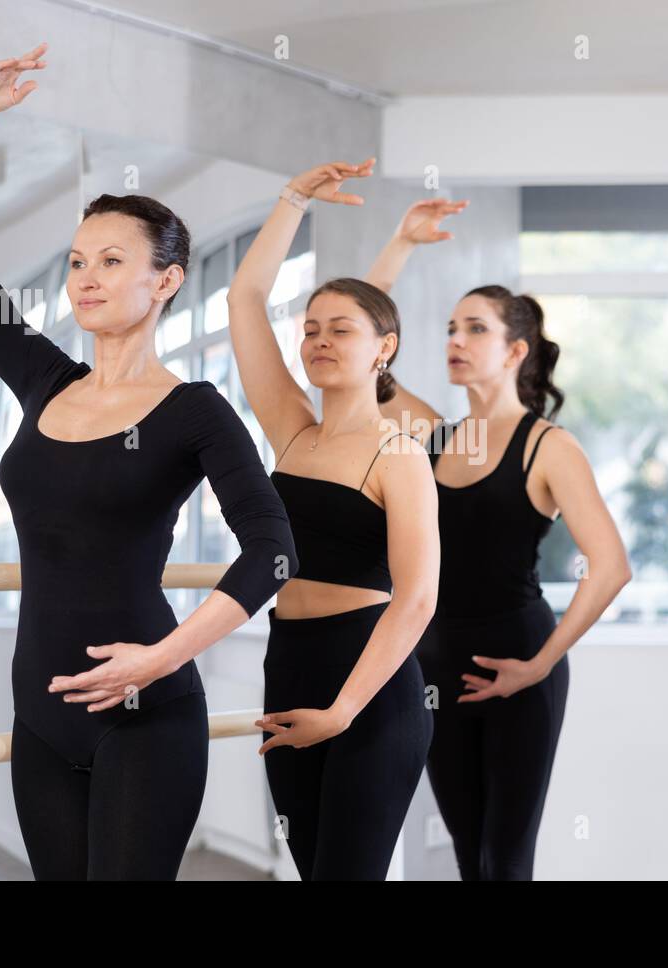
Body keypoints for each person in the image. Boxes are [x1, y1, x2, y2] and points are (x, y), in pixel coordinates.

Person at [0, 43, 297, 880]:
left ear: (166, 282)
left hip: (148, 716)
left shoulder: (193, 410)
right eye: (76, 261)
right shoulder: (43, 378)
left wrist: (164, 656)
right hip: (40, 718)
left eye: (112, 260)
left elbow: (275, 547)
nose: (86, 278)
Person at [362, 199, 632, 879]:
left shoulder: (548, 446)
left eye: (473, 329)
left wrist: (540, 663)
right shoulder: (435, 433)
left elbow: (610, 568)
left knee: (505, 859)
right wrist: (398, 243)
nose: (454, 339)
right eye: (451, 328)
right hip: (432, 668)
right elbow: (368, 348)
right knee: (467, 854)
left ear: (515, 350)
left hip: (518, 667)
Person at [227, 159, 440, 880]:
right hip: (287, 663)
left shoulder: (400, 453)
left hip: (370, 686)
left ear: (384, 348)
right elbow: (245, 296)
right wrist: (294, 199)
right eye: (311, 327)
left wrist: (346, 708)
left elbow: (416, 599)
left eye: (340, 329)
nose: (318, 339)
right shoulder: (292, 428)